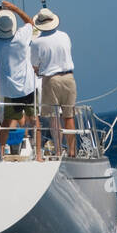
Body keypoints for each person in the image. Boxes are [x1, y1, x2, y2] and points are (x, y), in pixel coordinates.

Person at [0, 1, 39, 154]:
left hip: (10, 91)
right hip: (28, 86)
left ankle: (1, 152)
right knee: (35, 121)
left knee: (7, 123)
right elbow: (30, 22)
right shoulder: (22, 38)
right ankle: (38, 154)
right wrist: (15, 9)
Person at [30, 8, 77, 159]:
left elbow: (35, 66)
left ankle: (58, 150)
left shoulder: (37, 43)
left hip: (51, 79)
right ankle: (72, 151)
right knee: (69, 117)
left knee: (54, 117)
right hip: (69, 78)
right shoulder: (65, 36)